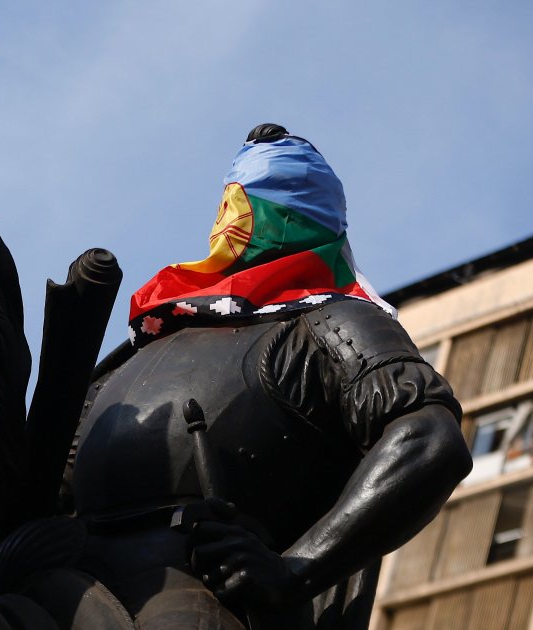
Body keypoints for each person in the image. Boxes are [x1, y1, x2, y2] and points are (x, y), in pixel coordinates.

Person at [64, 124, 473, 629]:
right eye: (228, 205)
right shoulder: (139, 349)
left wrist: (294, 570)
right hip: (62, 578)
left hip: (193, 590)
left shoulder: (329, 322)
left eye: (247, 206)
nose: (229, 223)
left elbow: (429, 438)